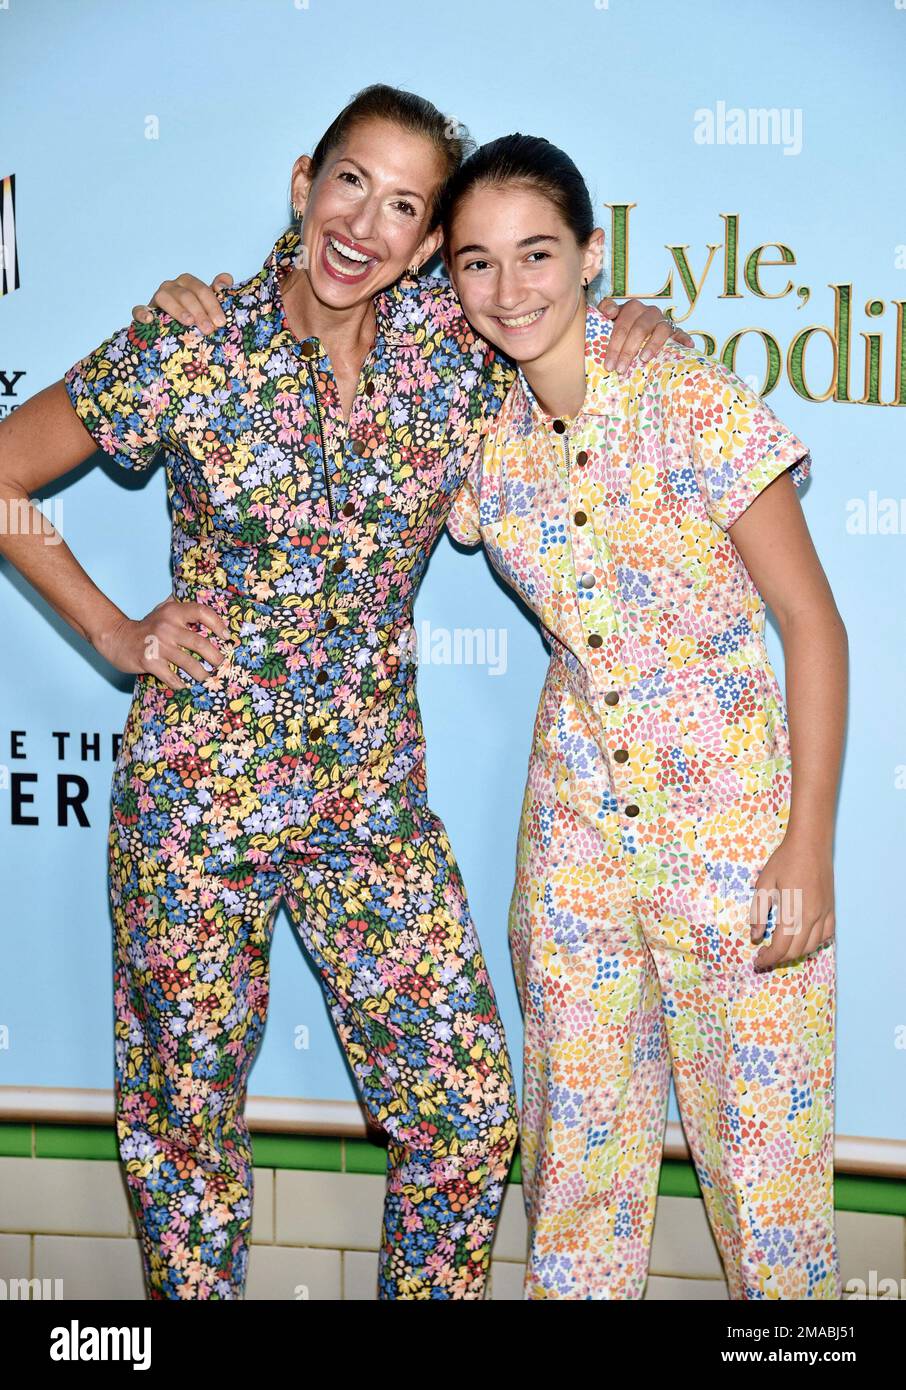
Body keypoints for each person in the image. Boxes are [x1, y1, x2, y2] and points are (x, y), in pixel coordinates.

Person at [0, 85, 686, 1301]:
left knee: (468, 1122)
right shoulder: (193, 340)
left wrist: (632, 324)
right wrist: (117, 635)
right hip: (195, 804)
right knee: (184, 1136)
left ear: (428, 241)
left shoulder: (454, 346)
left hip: (368, 804)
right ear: (307, 177)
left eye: (406, 203)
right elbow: (6, 469)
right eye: (352, 180)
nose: (366, 221)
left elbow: (550, 321)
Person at [439, 134, 848, 1300]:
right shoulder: (481, 441)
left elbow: (814, 626)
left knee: (769, 1198)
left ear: (589, 257)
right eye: (476, 263)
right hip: (572, 856)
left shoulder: (685, 396)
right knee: (573, 1183)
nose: (510, 289)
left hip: (735, 850)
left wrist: (807, 842)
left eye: (537, 254)